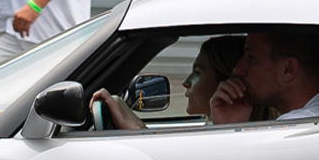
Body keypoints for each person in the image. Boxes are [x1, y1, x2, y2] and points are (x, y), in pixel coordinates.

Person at [92, 34, 272, 131]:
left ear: (227, 83)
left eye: (197, 72)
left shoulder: (236, 143)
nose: (186, 82)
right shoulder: (213, 135)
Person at [213, 32, 319, 122]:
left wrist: (225, 129)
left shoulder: (294, 127)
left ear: (288, 70)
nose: (238, 69)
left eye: (251, 58)